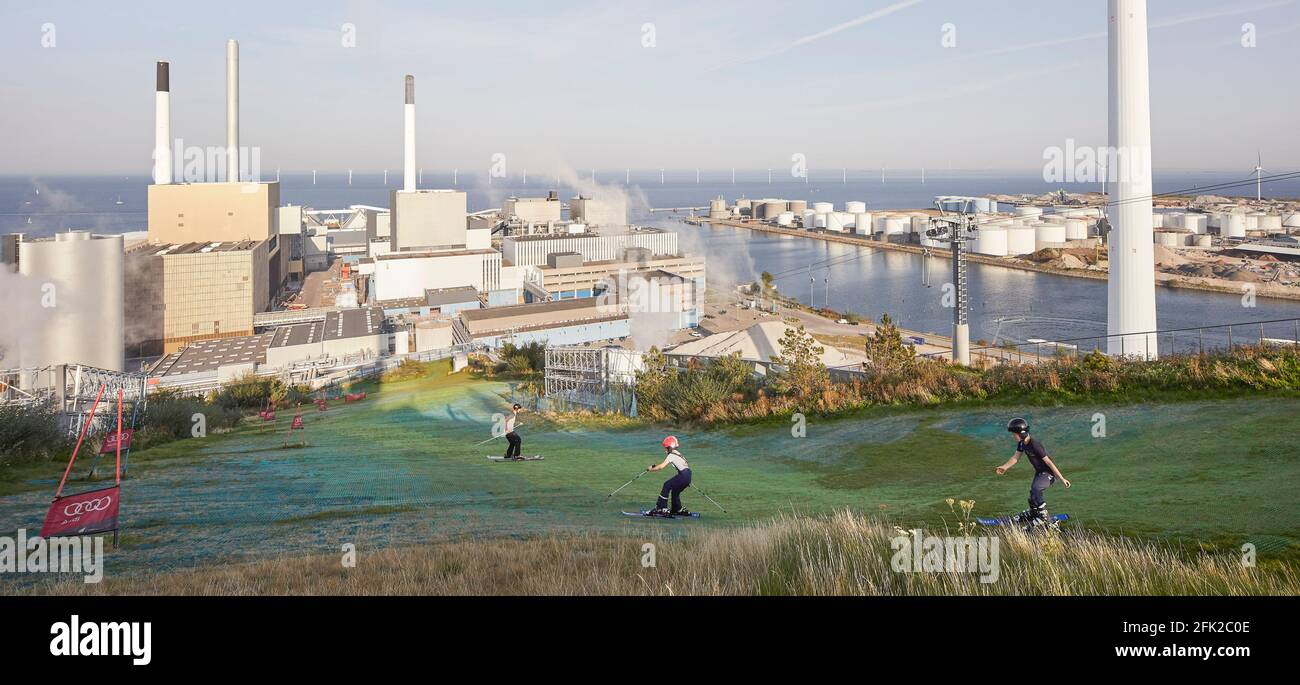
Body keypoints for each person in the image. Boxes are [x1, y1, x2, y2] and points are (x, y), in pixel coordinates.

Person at [995, 417, 1071, 531]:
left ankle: (1043, 517)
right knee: (1033, 493)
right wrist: (1005, 467)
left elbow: (1049, 462)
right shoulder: (1022, 443)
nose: (1013, 436)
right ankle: (1034, 513)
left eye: (1014, 434)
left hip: (1049, 473)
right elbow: (1015, 457)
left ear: (1022, 434)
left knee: (1036, 489)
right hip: (1040, 472)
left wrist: (1062, 478)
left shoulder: (1035, 445)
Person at [647, 435, 691, 517]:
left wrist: (651, 469)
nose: (665, 449)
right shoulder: (678, 454)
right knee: (675, 491)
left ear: (669, 447)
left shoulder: (671, 455)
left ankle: (660, 508)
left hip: (683, 475)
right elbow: (684, 465)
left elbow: (661, 466)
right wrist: (686, 479)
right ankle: (677, 509)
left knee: (667, 485)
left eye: (666, 448)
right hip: (687, 475)